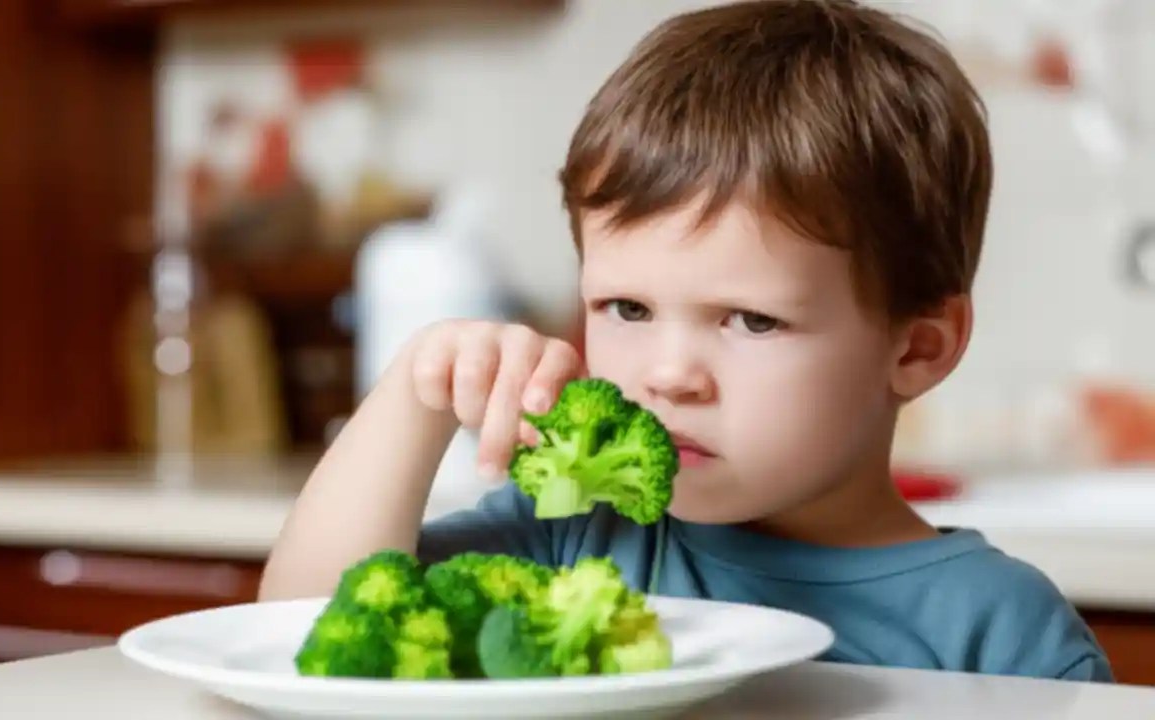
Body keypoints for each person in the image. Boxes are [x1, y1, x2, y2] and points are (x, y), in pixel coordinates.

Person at [259, 0, 1113, 682]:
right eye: (627, 309)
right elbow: (306, 632)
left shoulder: (1002, 631)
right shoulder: (572, 536)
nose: (668, 376)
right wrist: (415, 393)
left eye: (751, 320)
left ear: (917, 349)